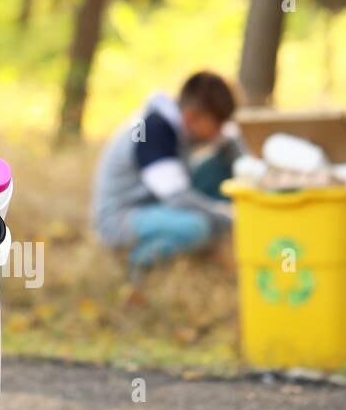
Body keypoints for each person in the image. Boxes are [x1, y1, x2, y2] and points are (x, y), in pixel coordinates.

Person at [91, 71, 242, 269]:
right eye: (218, 125)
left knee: (214, 185)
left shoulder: (175, 123)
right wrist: (226, 216)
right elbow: (177, 198)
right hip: (121, 218)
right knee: (198, 228)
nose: (220, 132)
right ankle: (136, 264)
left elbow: (231, 138)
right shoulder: (150, 130)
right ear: (191, 117)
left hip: (154, 207)